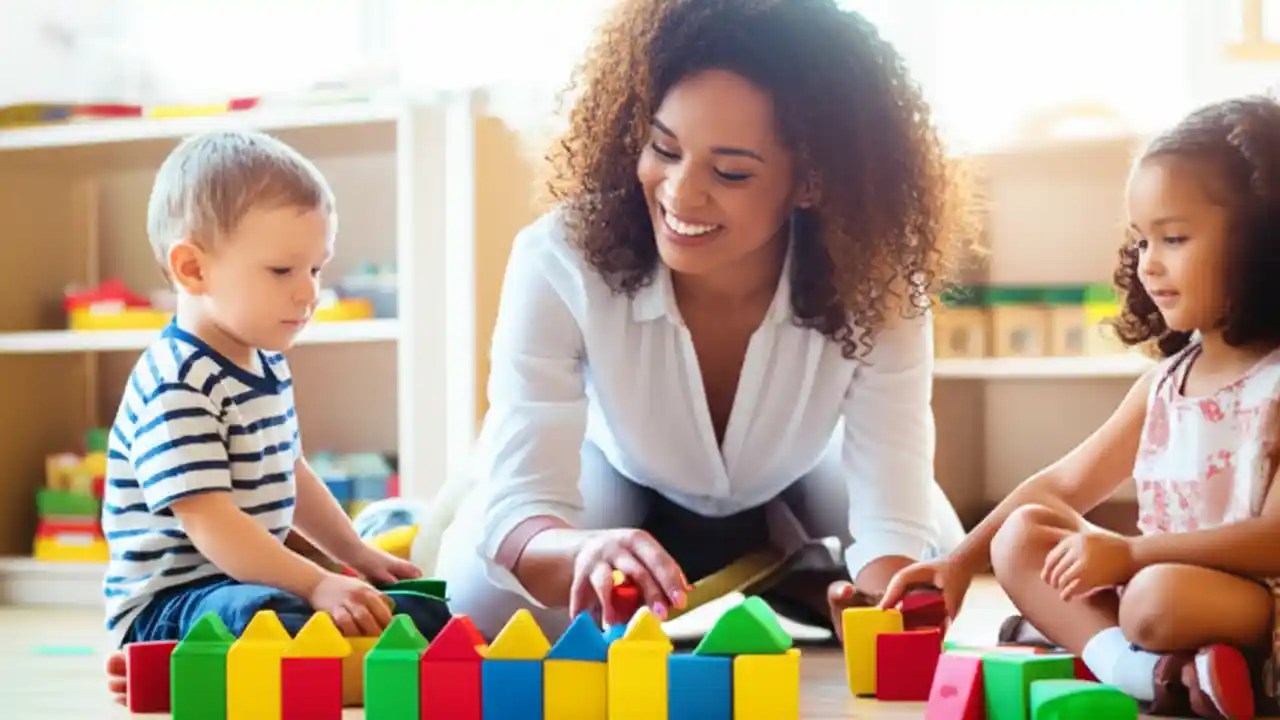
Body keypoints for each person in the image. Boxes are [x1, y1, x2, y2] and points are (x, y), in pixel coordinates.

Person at [430, 0, 970, 641]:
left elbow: (894, 508)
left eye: (731, 171)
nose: (681, 194)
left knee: (934, 566)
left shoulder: (877, 285)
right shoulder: (560, 258)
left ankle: (780, 563)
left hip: (797, 474)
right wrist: (585, 554)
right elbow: (524, 505)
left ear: (811, 182)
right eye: (664, 148)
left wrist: (882, 608)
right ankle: (756, 570)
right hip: (612, 468)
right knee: (479, 602)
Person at [880, 95, 1280, 720]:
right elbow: (1061, 486)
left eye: (1174, 238)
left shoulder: (1273, 389)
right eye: (1142, 239)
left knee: (1155, 600)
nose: (1150, 263)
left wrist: (1131, 557)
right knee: (1023, 536)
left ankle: (1158, 658)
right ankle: (1152, 674)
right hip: (1153, 580)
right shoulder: (1164, 385)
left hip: (1244, 600)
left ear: (1264, 245)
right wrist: (961, 561)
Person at [100, 130, 449, 703]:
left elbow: (291, 471)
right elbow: (209, 521)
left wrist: (355, 557)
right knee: (266, 611)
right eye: (283, 271)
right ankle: (173, 670)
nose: (308, 294)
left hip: (248, 581)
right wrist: (315, 581)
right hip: (176, 604)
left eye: (317, 269)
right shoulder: (177, 381)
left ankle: (354, 648)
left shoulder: (264, 363)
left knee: (418, 605)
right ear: (193, 269)